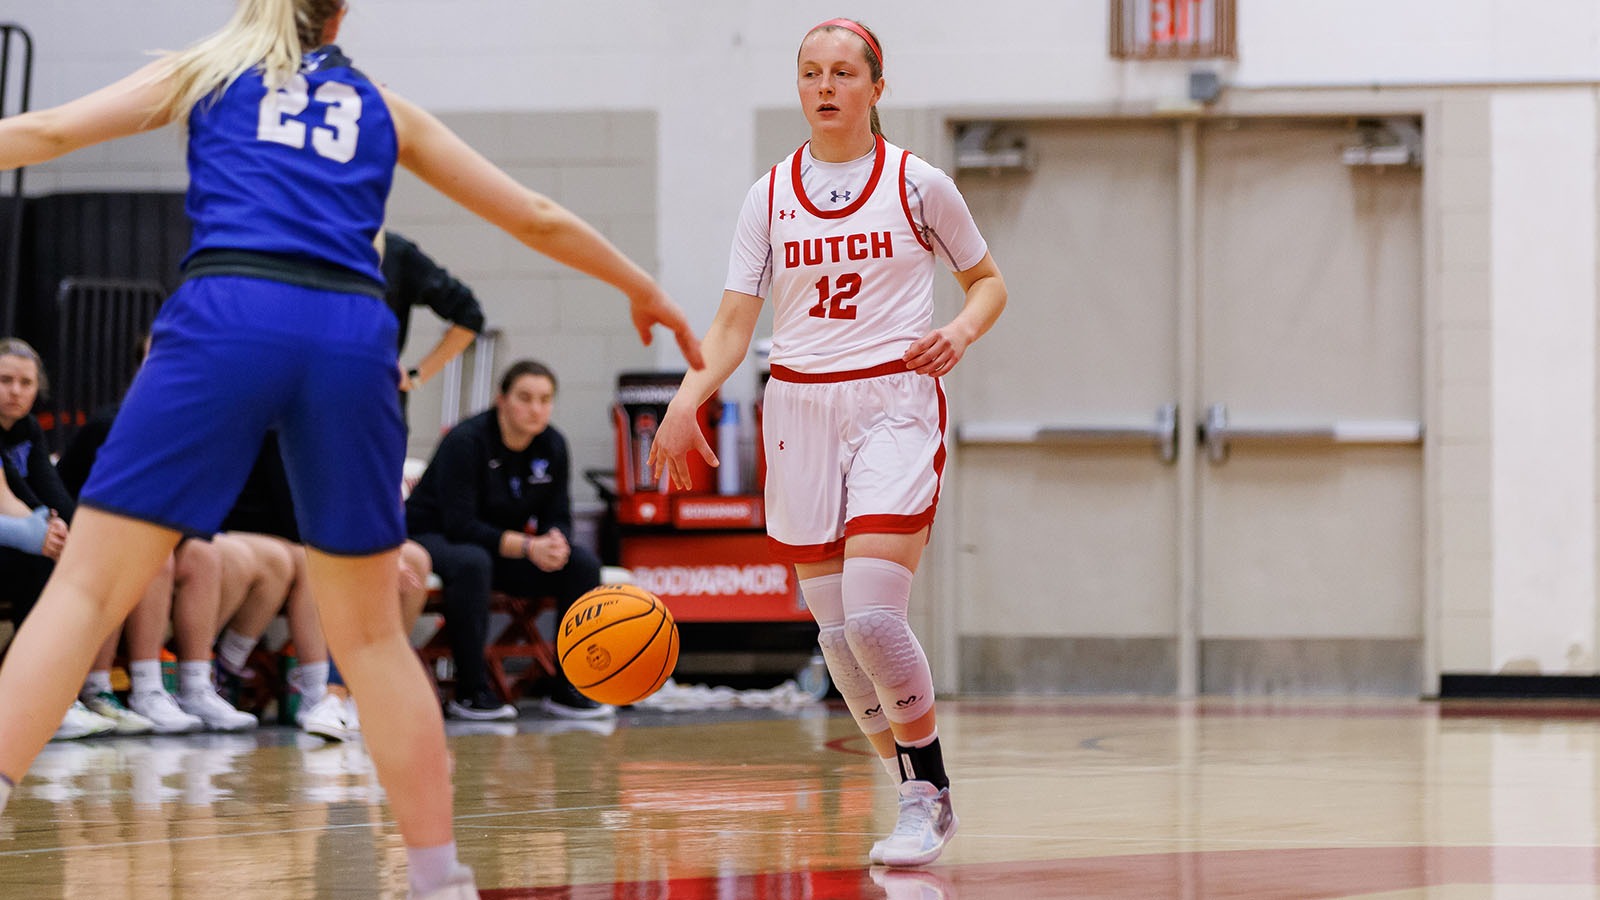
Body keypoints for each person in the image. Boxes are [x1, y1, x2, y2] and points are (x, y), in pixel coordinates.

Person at [0, 2, 701, 897]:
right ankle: (439, 877)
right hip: (347, 329)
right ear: (341, 13)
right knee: (369, 635)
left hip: (230, 310)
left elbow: (49, 129)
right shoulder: (383, 105)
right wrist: (644, 289)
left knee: (91, 587)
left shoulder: (203, 72)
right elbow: (531, 213)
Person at [649, 18, 1006, 869]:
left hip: (893, 402)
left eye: (843, 72)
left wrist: (958, 330)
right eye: (811, 72)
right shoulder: (769, 194)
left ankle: (927, 793)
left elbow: (988, 283)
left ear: (876, 88)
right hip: (798, 409)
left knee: (879, 619)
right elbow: (734, 326)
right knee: (841, 643)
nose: (825, 87)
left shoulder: (920, 184)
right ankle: (910, 786)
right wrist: (686, 397)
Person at [406, 360, 612, 721]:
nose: (536, 409)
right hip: (433, 537)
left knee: (581, 565)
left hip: (499, 547)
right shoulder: (466, 440)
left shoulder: (552, 444)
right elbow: (461, 525)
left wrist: (557, 543)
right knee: (472, 562)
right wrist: (529, 547)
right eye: (525, 398)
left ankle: (570, 686)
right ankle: (469, 691)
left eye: (545, 399)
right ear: (502, 400)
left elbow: (558, 515)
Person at [382, 231, 487, 396]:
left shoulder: (394, 252)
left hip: (377, 396)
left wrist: (416, 377)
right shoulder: (327, 249)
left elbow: (469, 314)